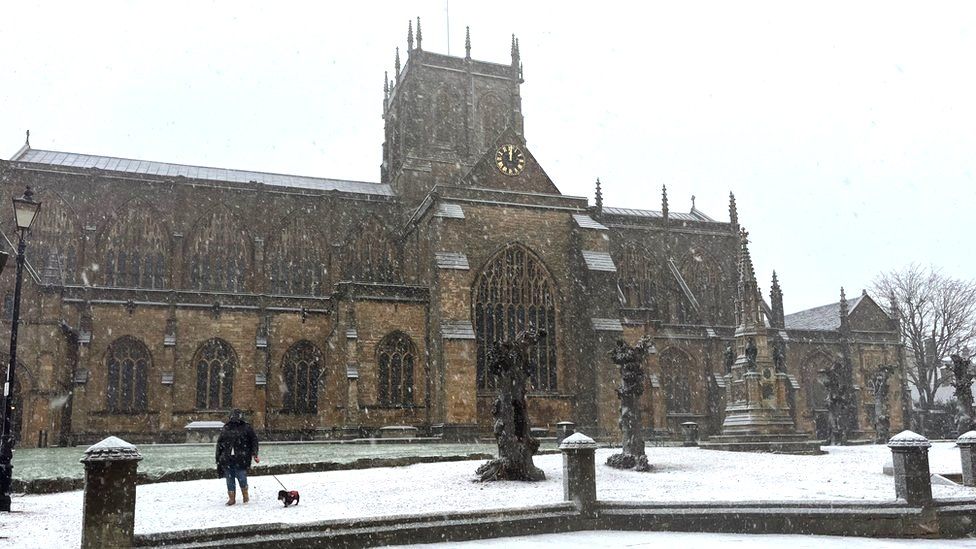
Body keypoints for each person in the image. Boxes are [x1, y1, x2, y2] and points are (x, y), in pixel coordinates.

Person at [215, 408, 260, 505]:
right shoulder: (226, 428)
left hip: (241, 458)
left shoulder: (246, 427)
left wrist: (255, 453)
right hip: (227, 458)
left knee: (242, 478)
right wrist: (218, 458)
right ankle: (232, 499)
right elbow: (220, 444)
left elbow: (254, 441)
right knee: (229, 480)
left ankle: (245, 495)